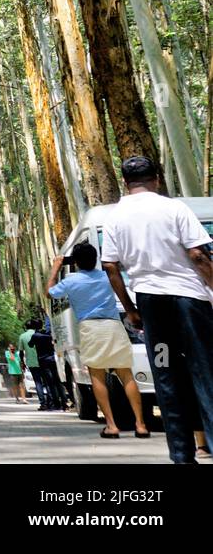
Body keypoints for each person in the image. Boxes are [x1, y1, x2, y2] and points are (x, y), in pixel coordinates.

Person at [100, 156, 213, 464]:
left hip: (153, 309)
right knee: (205, 371)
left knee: (166, 376)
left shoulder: (115, 217)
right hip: (190, 304)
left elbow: (110, 265)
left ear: (125, 183)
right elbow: (198, 256)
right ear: (157, 179)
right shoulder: (173, 208)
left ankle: (181, 456)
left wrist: (132, 310)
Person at [47, 241, 150, 439]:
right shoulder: (107, 276)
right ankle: (141, 424)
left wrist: (55, 267)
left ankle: (111, 425)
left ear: (75, 262)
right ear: (96, 259)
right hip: (113, 326)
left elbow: (49, 293)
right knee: (126, 374)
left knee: (97, 375)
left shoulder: (70, 280)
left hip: (90, 328)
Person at [28, 318, 67, 411]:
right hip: (52, 359)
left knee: (50, 383)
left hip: (43, 361)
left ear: (33, 326)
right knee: (57, 381)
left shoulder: (35, 336)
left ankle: (56, 403)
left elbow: (30, 345)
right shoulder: (48, 334)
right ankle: (64, 403)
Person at [19, 319, 48, 409]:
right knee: (47, 381)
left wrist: (22, 363)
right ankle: (51, 402)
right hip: (43, 360)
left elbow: (21, 352)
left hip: (31, 362)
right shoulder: (40, 334)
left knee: (38, 382)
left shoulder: (22, 336)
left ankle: (43, 403)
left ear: (26, 327)